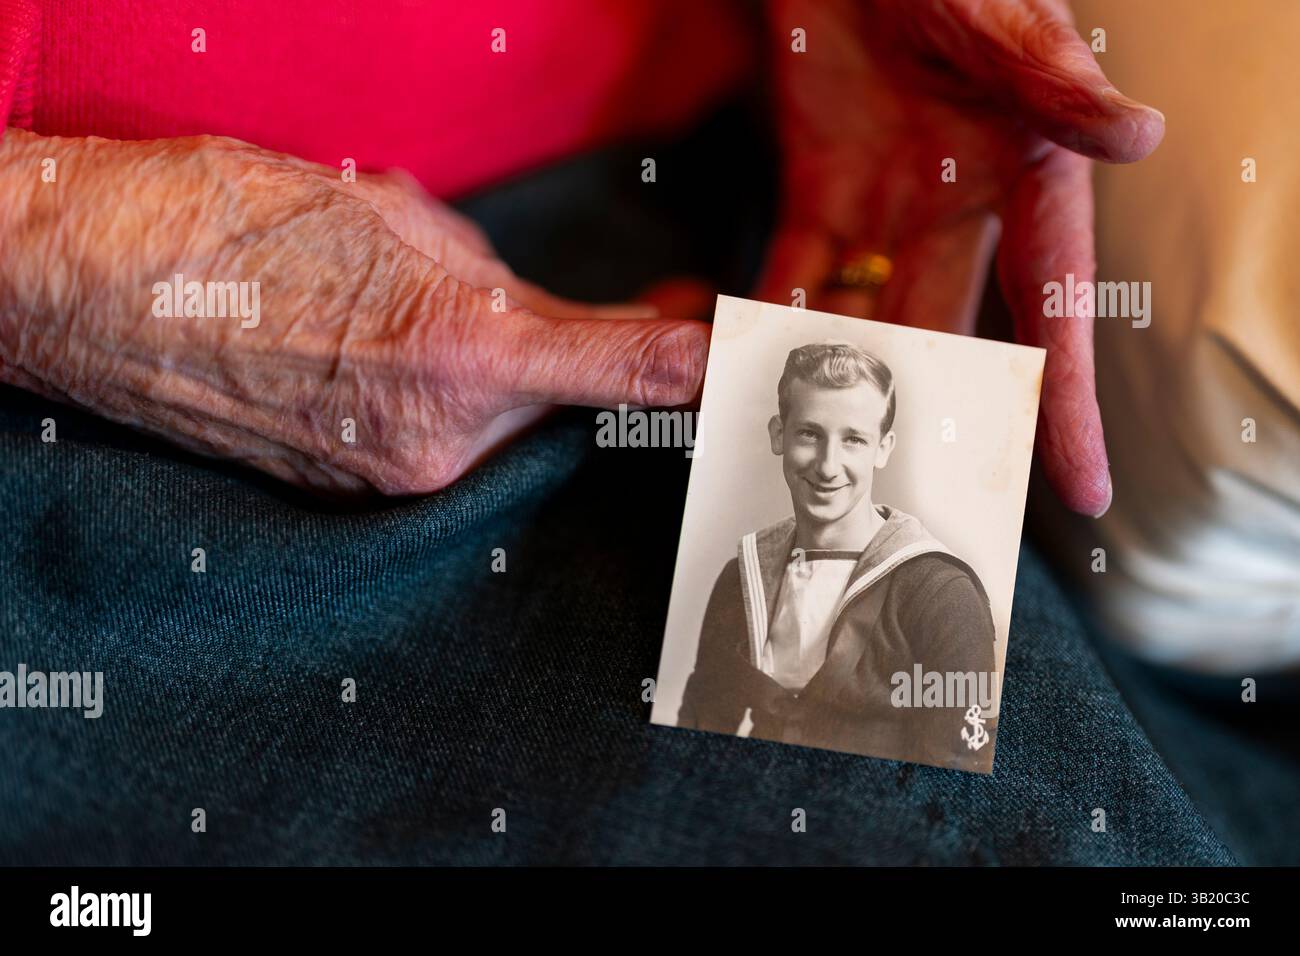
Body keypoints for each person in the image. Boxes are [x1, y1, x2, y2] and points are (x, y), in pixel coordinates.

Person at [678, 343, 997, 771]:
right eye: (810, 433)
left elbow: (961, 764)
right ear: (779, 434)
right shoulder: (743, 575)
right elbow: (698, 731)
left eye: (853, 440)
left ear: (883, 448)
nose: (828, 466)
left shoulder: (941, 593)